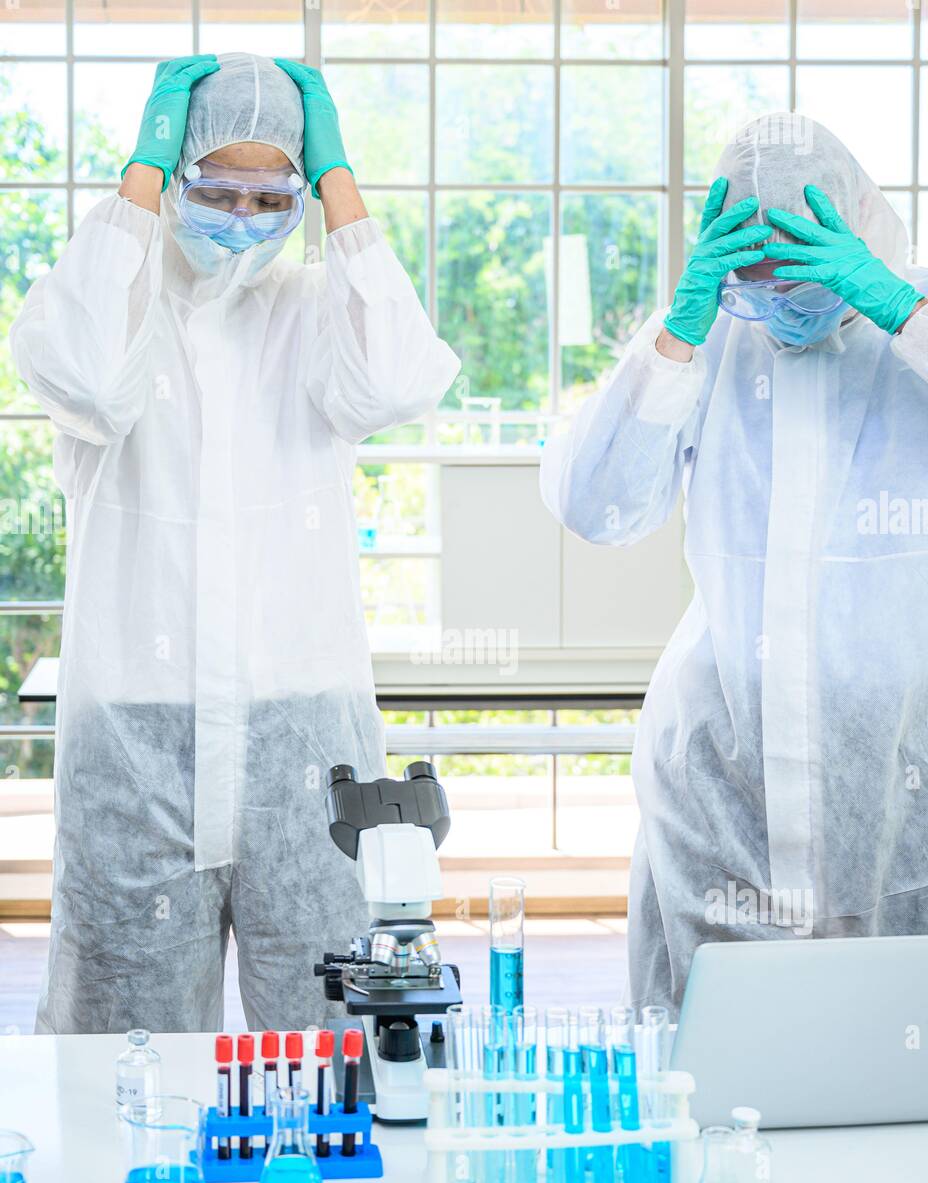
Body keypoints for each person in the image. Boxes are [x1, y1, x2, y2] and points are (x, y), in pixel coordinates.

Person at [11, 53, 460, 1033]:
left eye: (273, 194)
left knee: (330, 1051)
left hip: (301, 750)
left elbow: (394, 380)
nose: (245, 216)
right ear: (172, 181)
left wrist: (339, 185)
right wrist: (136, 185)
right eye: (217, 187)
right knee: (118, 1061)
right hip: (135, 746)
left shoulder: (311, 311)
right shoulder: (110, 311)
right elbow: (86, 375)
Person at [540, 115, 928, 1014]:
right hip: (721, 792)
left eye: (804, 273)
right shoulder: (704, 335)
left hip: (904, 788)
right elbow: (595, 505)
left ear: (860, 230)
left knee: (894, 1086)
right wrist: (680, 330)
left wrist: (893, 303)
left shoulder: (906, 325)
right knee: (716, 1074)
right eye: (757, 282)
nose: (780, 305)